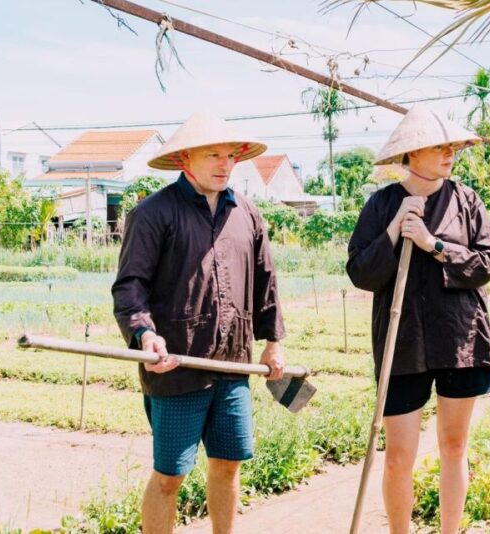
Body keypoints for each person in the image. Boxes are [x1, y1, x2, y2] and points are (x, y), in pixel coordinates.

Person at [112, 111, 286, 534]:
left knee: (228, 465)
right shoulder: (154, 213)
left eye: (230, 155)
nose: (224, 164)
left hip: (233, 366)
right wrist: (144, 334)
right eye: (213, 154)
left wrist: (273, 341)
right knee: (170, 475)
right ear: (185, 159)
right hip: (177, 367)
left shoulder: (247, 213)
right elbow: (130, 286)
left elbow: (266, 281)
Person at [346, 105, 490, 534]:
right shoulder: (381, 205)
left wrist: (434, 245)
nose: (449, 153)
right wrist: (396, 230)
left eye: (452, 146)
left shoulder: (466, 199)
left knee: (454, 446)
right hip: (403, 343)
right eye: (439, 147)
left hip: (459, 339)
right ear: (412, 154)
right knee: (398, 455)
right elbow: (360, 272)